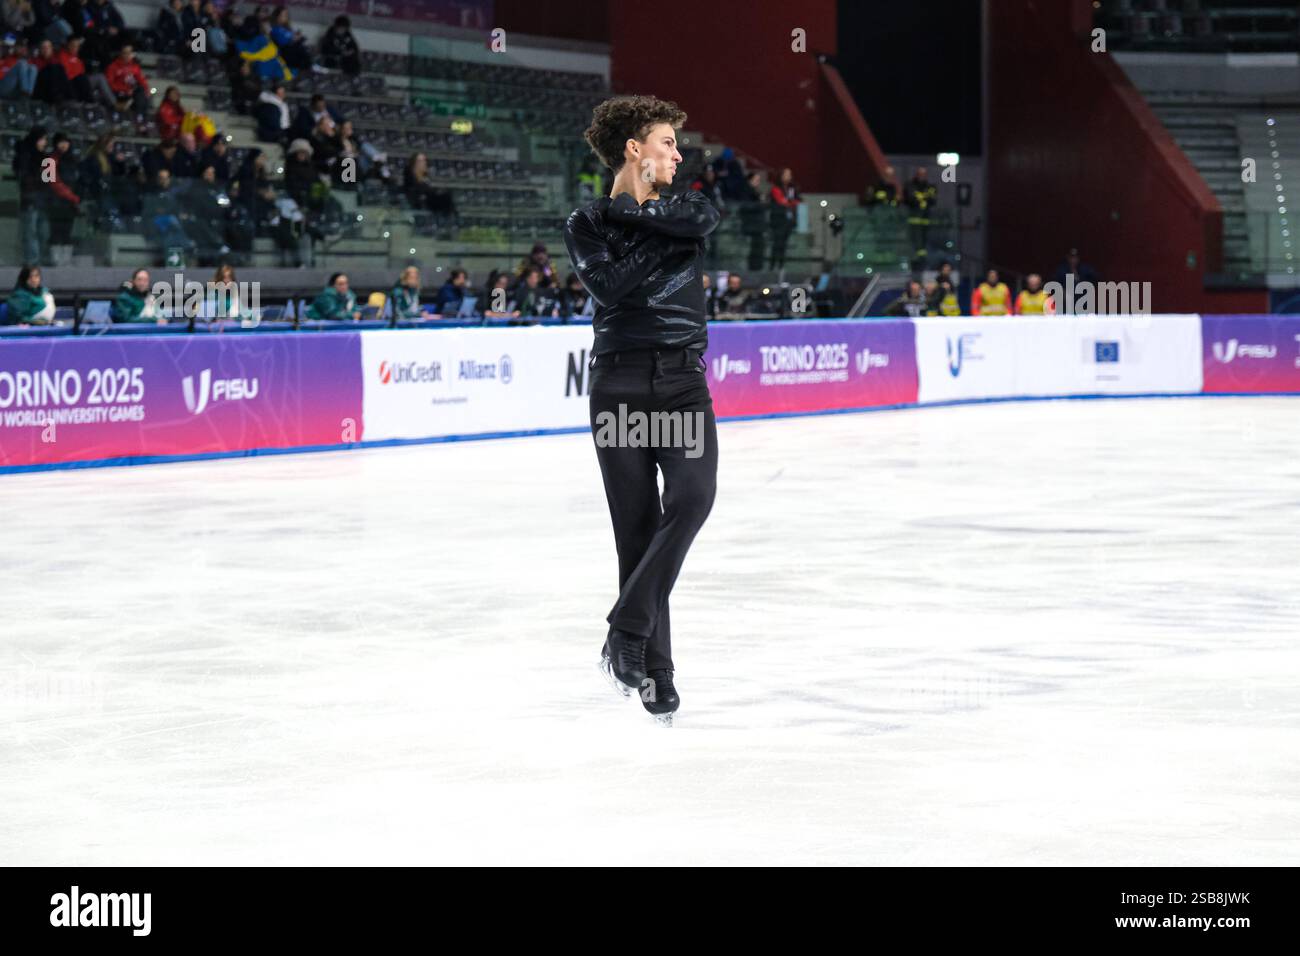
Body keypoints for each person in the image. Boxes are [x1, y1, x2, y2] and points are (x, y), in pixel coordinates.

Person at [562, 94, 720, 724]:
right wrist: (657, 228)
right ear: (635, 149)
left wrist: (648, 219)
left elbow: (703, 220)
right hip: (620, 383)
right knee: (636, 527)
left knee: (692, 498)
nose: (678, 156)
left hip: (682, 382)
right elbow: (608, 285)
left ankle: (625, 626)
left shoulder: (692, 205)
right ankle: (656, 669)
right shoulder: (587, 221)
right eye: (666, 144)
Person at [768, 166, 799, 271]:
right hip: (778, 220)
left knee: (784, 244)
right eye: (786, 174)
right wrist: (791, 203)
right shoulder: (775, 189)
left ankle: (781, 266)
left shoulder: (792, 188)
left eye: (790, 174)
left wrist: (792, 203)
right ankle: (772, 266)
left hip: (788, 221)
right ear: (781, 176)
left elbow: (798, 201)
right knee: (777, 243)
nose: (788, 176)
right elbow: (781, 202)